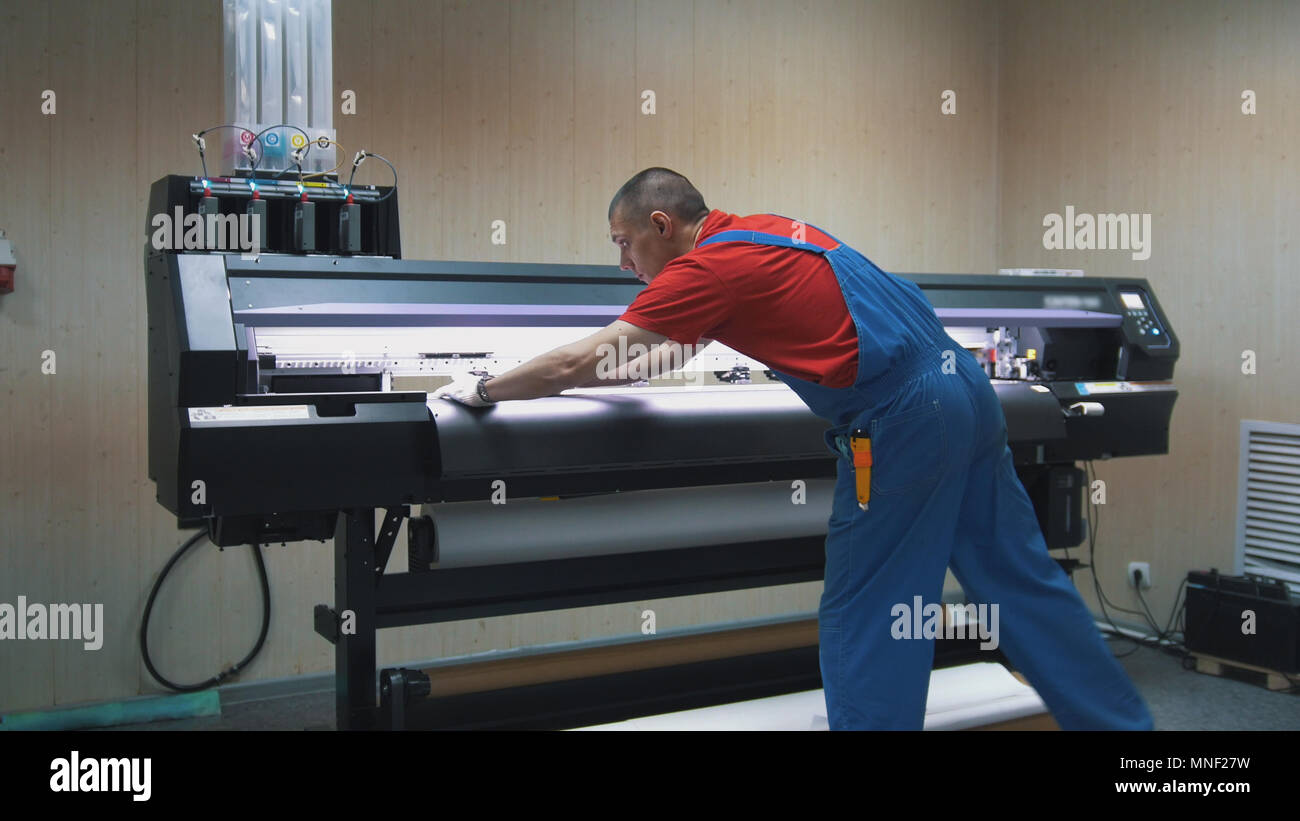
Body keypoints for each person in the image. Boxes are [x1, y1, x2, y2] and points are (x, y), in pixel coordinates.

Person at [437, 167, 1154, 730]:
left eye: (624, 243)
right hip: (965, 393)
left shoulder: (704, 269)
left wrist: (485, 388)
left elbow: (579, 361)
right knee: (1023, 585)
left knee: (869, 610)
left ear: (662, 224)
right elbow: (654, 356)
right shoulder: (764, 232)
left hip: (902, 421)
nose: (624, 263)